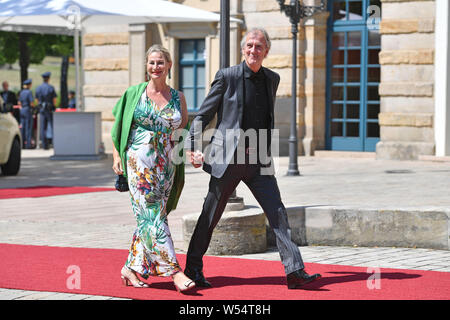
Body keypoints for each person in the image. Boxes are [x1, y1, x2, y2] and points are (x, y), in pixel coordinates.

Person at [184, 28, 322, 290]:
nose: (253, 50)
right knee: (210, 215)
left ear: (266, 51)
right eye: (249, 45)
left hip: (259, 157)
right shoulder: (227, 77)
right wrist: (191, 145)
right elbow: (203, 115)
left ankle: (294, 271)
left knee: (277, 212)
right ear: (242, 49)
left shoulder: (273, 78)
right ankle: (192, 269)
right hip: (228, 158)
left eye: (259, 46)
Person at [111, 44, 194, 292]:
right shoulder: (134, 93)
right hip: (139, 163)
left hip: (166, 166)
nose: (155, 67)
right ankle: (175, 272)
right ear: (146, 66)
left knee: (153, 216)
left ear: (169, 65)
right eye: (151, 63)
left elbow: (183, 131)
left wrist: (190, 152)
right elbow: (118, 126)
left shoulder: (179, 97)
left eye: (160, 62)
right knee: (151, 214)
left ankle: (130, 268)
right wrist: (116, 154)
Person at [35, 71, 57, 149]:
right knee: (52, 126)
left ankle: (45, 145)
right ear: (48, 78)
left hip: (42, 109)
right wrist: (54, 106)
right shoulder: (50, 87)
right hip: (49, 108)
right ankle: (54, 144)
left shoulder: (38, 88)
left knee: (43, 127)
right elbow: (54, 99)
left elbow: (37, 99)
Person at [18, 79, 34, 149]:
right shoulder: (29, 92)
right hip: (27, 110)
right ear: (29, 85)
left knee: (22, 127)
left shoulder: (21, 92)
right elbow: (31, 103)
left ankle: (22, 144)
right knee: (28, 128)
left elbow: (19, 103)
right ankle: (28, 145)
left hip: (22, 110)